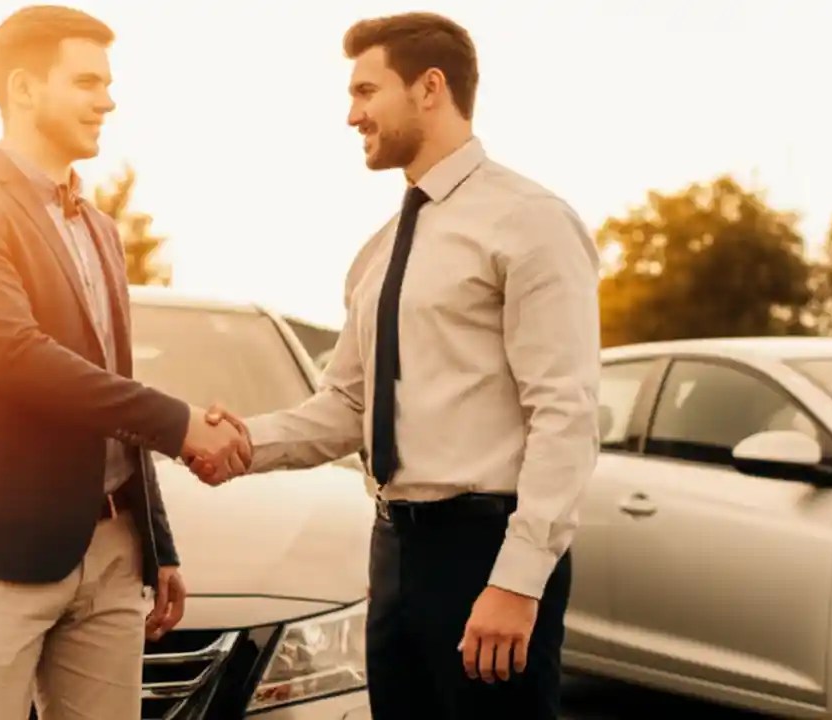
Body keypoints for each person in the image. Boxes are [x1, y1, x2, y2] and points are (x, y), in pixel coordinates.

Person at [193, 11, 600, 719]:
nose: (352, 114)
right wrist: (241, 443)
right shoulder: (379, 252)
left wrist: (519, 579)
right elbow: (347, 407)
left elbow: (565, 414)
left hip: (484, 553)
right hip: (392, 553)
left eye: (366, 91)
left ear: (430, 88)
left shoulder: (530, 220)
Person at [0, 6, 249, 719]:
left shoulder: (99, 227)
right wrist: (180, 424)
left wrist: (157, 541)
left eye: (109, 82)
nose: (109, 100)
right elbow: (17, 359)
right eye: (88, 81)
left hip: (115, 557)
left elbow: (107, 385)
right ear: (25, 89)